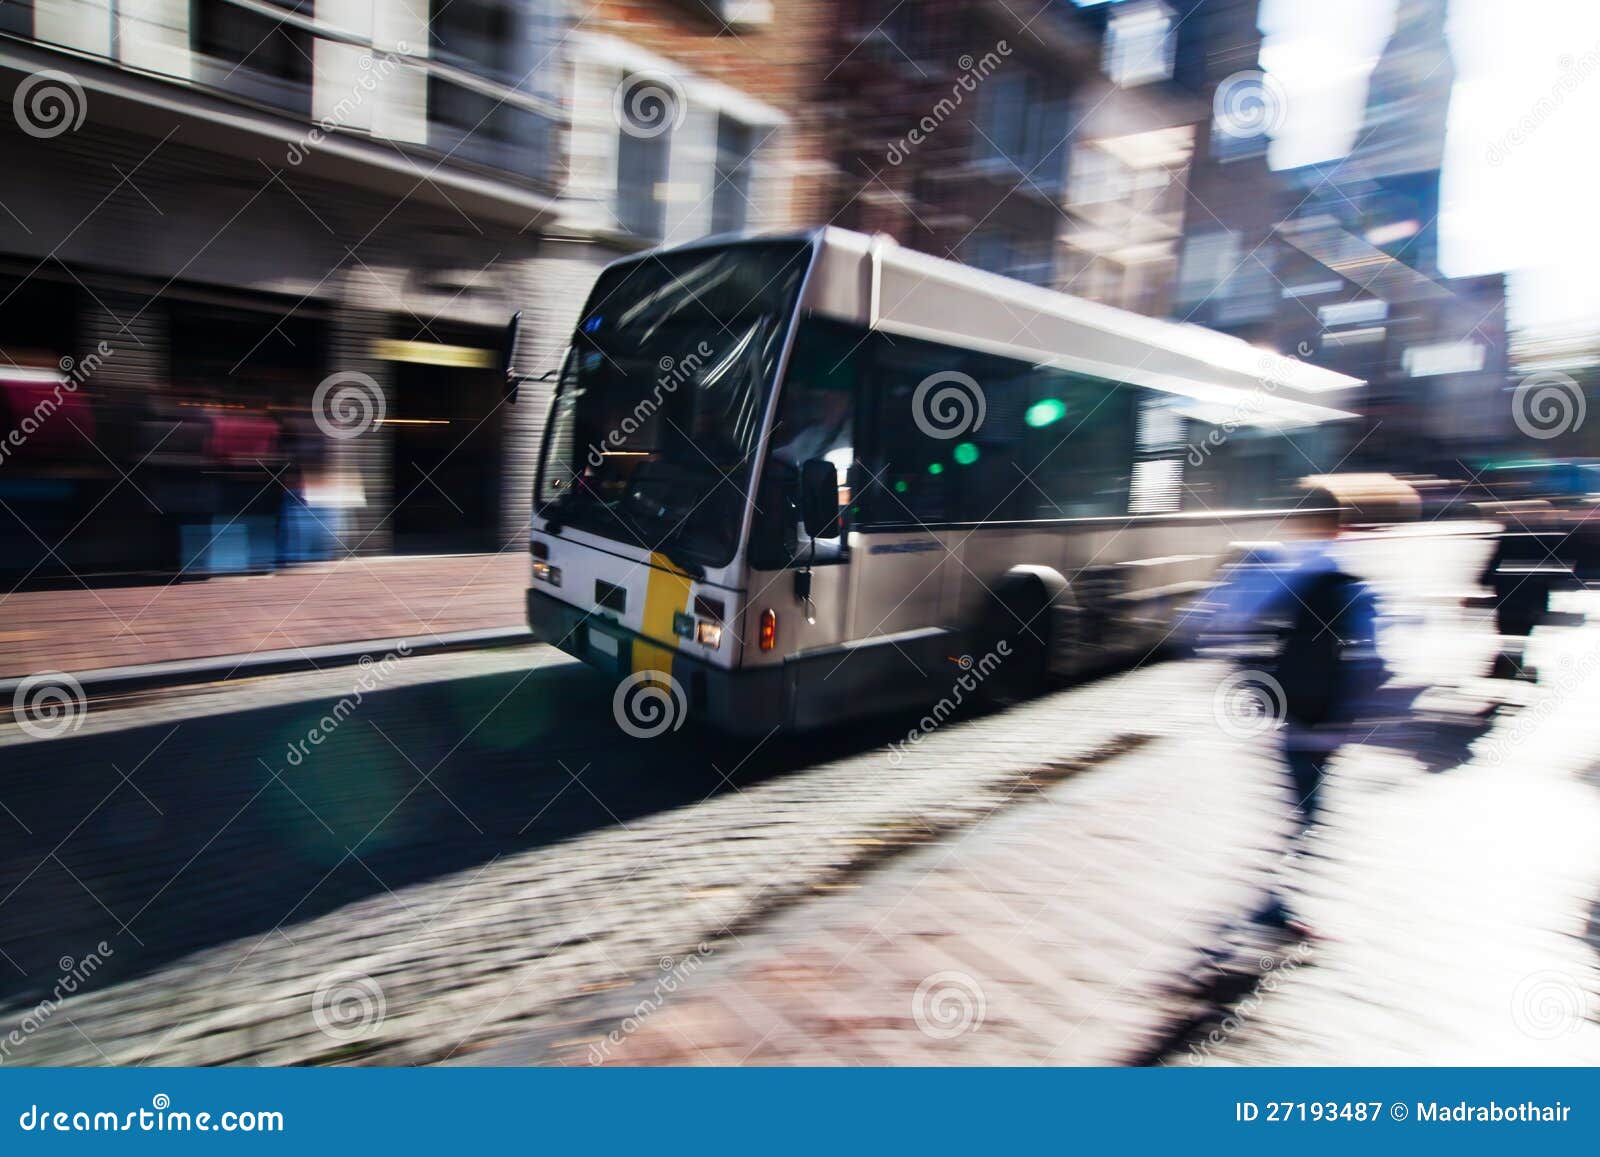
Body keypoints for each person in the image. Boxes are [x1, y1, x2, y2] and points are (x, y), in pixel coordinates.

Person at [1214, 488, 1387, 937]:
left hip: (1292, 715)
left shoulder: (1283, 574)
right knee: (1310, 815)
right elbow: (1370, 659)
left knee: (1305, 812)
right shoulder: (1346, 581)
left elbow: (1232, 625)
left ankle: (1275, 901)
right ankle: (1274, 904)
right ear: (1339, 526)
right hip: (1323, 719)